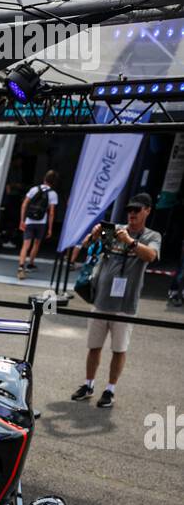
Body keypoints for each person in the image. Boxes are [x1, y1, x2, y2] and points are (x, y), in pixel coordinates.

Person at [71, 192, 161, 409]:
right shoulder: (114, 230)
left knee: (119, 349)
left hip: (125, 305)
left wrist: (130, 242)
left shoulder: (151, 236)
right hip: (101, 301)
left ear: (147, 211)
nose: (131, 214)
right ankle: (88, 384)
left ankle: (110, 389)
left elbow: (150, 256)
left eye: (137, 210)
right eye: (129, 210)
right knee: (94, 346)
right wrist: (93, 235)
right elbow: (86, 246)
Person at [17, 169, 59, 280]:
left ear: (44, 178)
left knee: (25, 245)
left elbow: (24, 204)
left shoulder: (34, 189)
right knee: (36, 243)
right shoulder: (53, 194)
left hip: (29, 220)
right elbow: (51, 213)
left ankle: (21, 267)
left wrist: (22, 220)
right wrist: (50, 228)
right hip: (41, 222)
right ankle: (30, 263)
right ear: (54, 182)